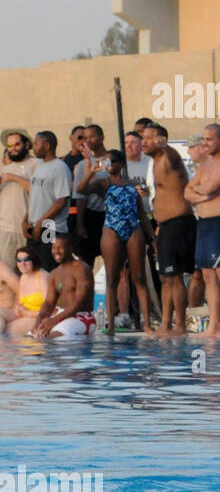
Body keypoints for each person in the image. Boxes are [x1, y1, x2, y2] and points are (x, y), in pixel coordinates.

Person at [184, 123, 220, 337]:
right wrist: (202, 196)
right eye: (203, 139)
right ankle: (213, 325)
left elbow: (211, 187)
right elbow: (187, 192)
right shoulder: (204, 166)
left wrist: (199, 191)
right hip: (205, 224)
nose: (204, 143)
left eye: (209, 139)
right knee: (208, 275)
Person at [140, 123, 192, 337]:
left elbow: (174, 157)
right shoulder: (154, 163)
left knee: (175, 276)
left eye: (149, 138)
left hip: (179, 224)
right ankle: (166, 324)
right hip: (165, 226)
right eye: (142, 137)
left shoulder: (170, 159)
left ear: (161, 139)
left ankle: (179, 326)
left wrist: (167, 146)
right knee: (165, 277)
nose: (144, 142)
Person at [99, 150, 152, 334]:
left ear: (121, 163)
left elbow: (141, 213)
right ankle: (112, 324)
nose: (108, 164)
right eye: (105, 161)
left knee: (139, 278)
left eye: (111, 161)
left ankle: (147, 325)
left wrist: (152, 236)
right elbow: (81, 189)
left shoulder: (132, 185)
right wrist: (90, 170)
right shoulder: (104, 183)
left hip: (132, 226)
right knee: (112, 278)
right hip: (111, 228)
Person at [30, 235, 95, 340]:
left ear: (70, 248)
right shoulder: (55, 273)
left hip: (82, 317)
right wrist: (39, 320)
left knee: (51, 339)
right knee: (32, 338)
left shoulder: (82, 270)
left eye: (60, 247)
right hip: (62, 315)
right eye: (54, 248)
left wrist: (53, 321)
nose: (56, 251)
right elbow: (49, 303)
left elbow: (79, 303)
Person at [26, 131, 71, 272]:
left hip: (51, 227)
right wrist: (25, 221)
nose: (33, 147)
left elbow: (61, 201)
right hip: (35, 227)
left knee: (47, 268)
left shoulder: (60, 167)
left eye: (36, 143)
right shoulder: (39, 166)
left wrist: (41, 223)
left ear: (47, 145)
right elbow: (35, 197)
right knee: (33, 269)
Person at [72, 124, 111, 271]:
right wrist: (80, 224)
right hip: (90, 215)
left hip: (109, 215)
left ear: (101, 137)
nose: (88, 140)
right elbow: (80, 196)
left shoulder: (112, 159)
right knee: (85, 264)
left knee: (113, 262)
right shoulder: (83, 164)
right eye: (84, 137)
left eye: (92, 136)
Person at [2, 129, 40, 270]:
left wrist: (13, 178)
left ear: (27, 144)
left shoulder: (37, 164)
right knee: (7, 275)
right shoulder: (5, 169)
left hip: (28, 230)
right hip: (6, 230)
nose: (13, 149)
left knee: (32, 273)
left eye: (17, 144)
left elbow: (41, 192)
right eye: (10, 146)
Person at [0, 244, 49, 337]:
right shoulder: (24, 276)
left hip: (39, 317)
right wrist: (18, 307)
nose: (22, 264)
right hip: (24, 313)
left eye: (26, 260)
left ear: (34, 260)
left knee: (7, 330)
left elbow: (51, 309)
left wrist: (28, 313)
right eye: (19, 260)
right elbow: (21, 300)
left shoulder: (43, 278)